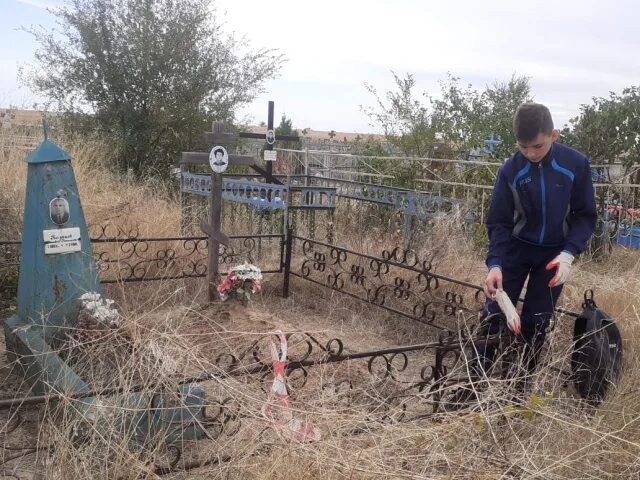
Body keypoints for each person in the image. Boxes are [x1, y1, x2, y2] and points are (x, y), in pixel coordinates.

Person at [483, 103, 597, 372]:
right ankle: (474, 379)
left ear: (553, 136)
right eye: (523, 147)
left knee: (537, 321)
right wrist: (495, 264)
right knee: (493, 315)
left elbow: (585, 216)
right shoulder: (510, 170)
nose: (530, 154)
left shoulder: (575, 165)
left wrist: (569, 254)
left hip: (554, 256)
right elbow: (498, 222)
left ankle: (520, 383)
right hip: (516, 249)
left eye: (538, 146)